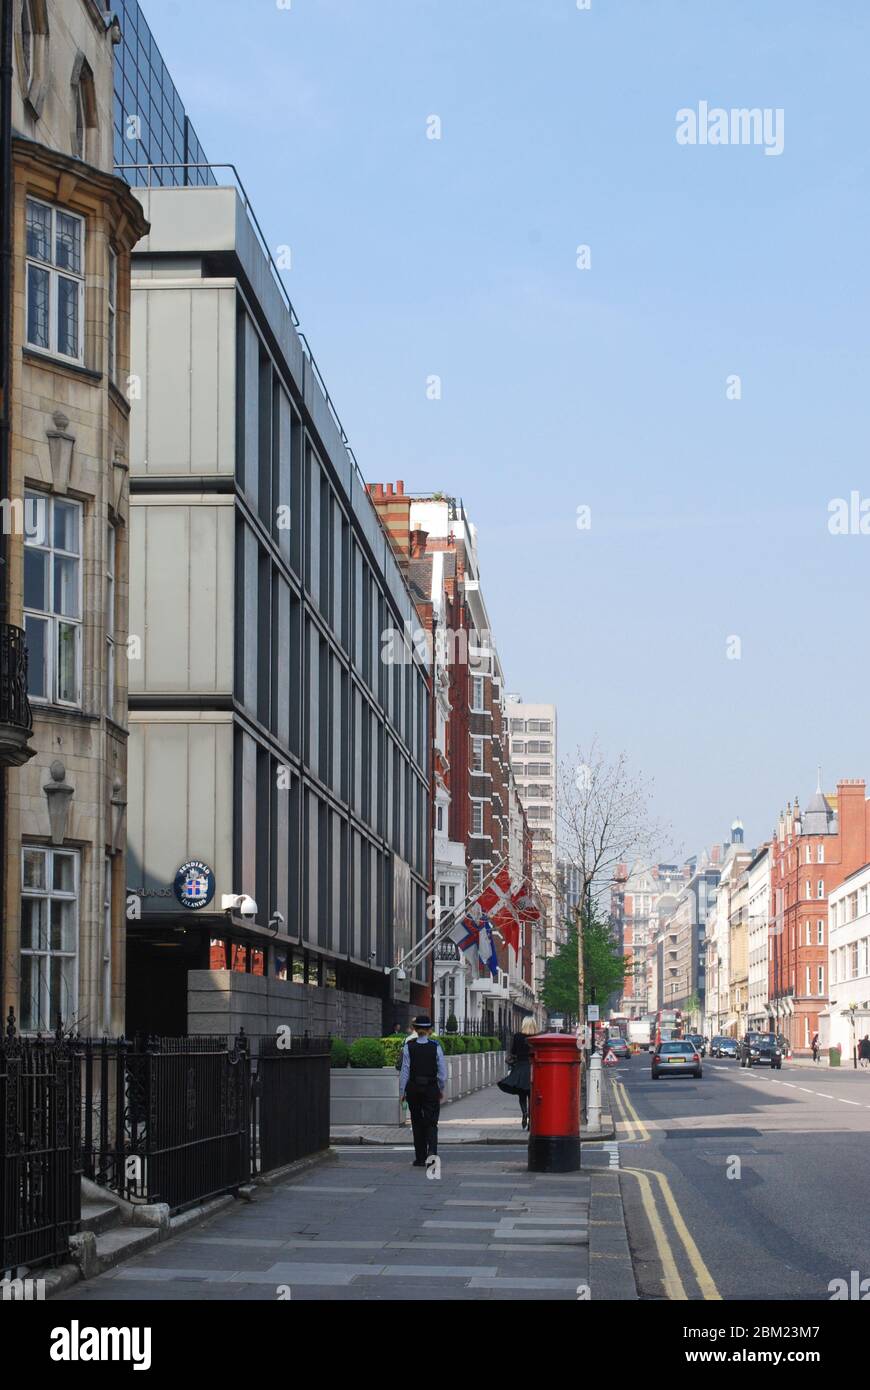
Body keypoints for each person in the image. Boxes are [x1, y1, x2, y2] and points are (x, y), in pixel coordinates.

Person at [399, 1015, 447, 1167]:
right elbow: (442, 1072)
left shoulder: (408, 1046)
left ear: (414, 1029)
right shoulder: (436, 1046)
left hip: (413, 1088)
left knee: (417, 1122)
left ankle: (420, 1157)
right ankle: (432, 1152)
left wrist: (402, 1091)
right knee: (432, 1122)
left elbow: (405, 1071)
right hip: (431, 1087)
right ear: (429, 1030)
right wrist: (440, 1088)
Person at [498, 1017, 535, 1129]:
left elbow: (513, 1052)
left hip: (520, 1068)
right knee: (531, 1096)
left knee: (522, 1095)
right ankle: (530, 1119)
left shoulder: (517, 1036)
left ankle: (524, 1113)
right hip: (532, 1068)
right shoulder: (536, 1037)